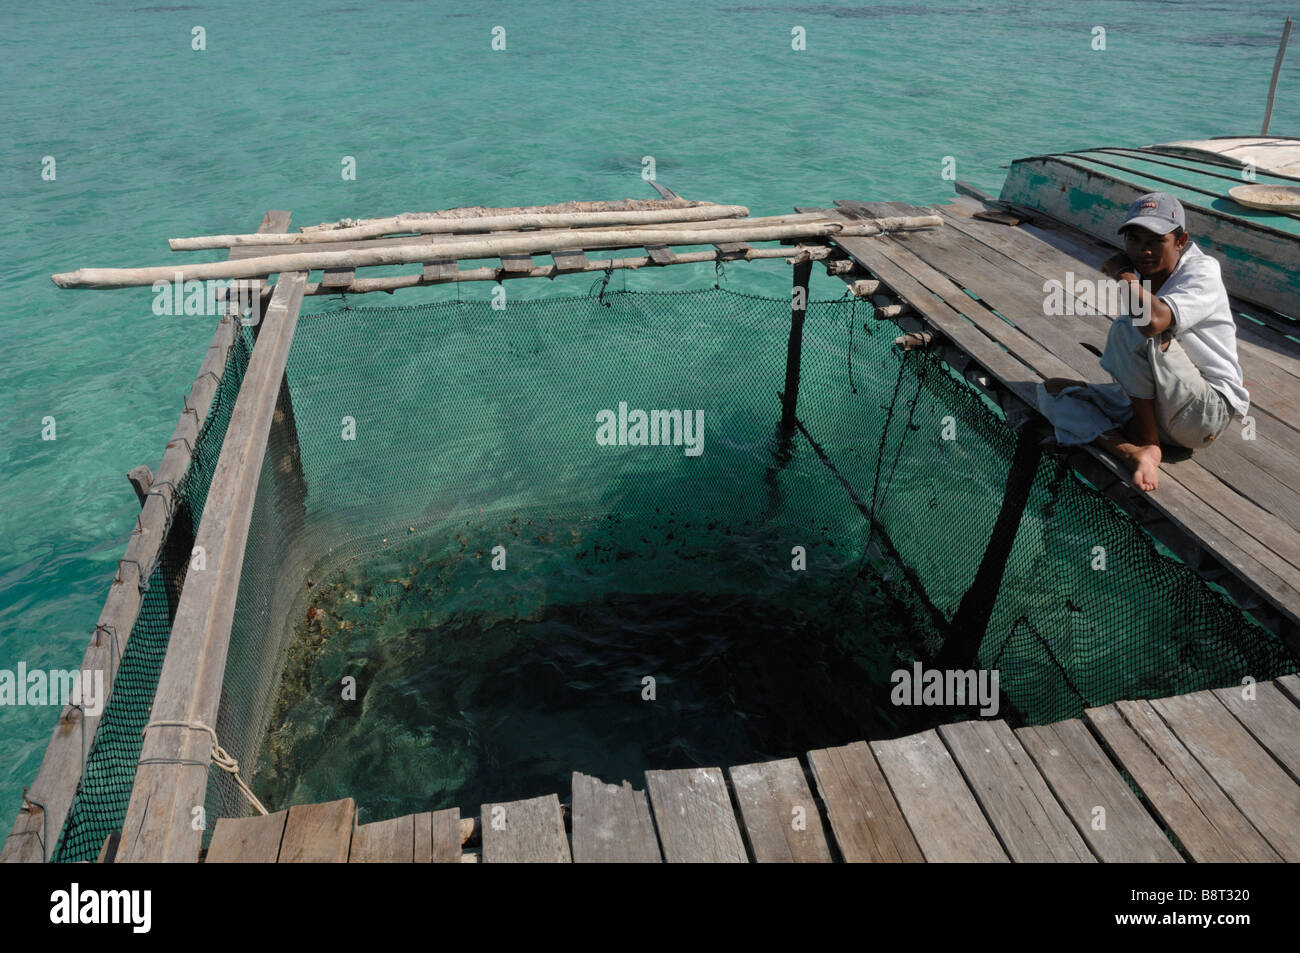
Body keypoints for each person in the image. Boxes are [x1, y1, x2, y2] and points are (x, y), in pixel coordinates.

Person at [1044, 192, 1249, 492]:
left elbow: (1152, 323)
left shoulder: (1202, 270)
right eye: (1135, 240)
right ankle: (1131, 450)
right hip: (1165, 406)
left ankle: (1147, 439)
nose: (1144, 251)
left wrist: (1124, 274)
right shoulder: (1146, 275)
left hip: (1205, 413)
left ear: (1181, 241)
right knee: (1053, 391)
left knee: (1132, 325)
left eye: (1156, 240)